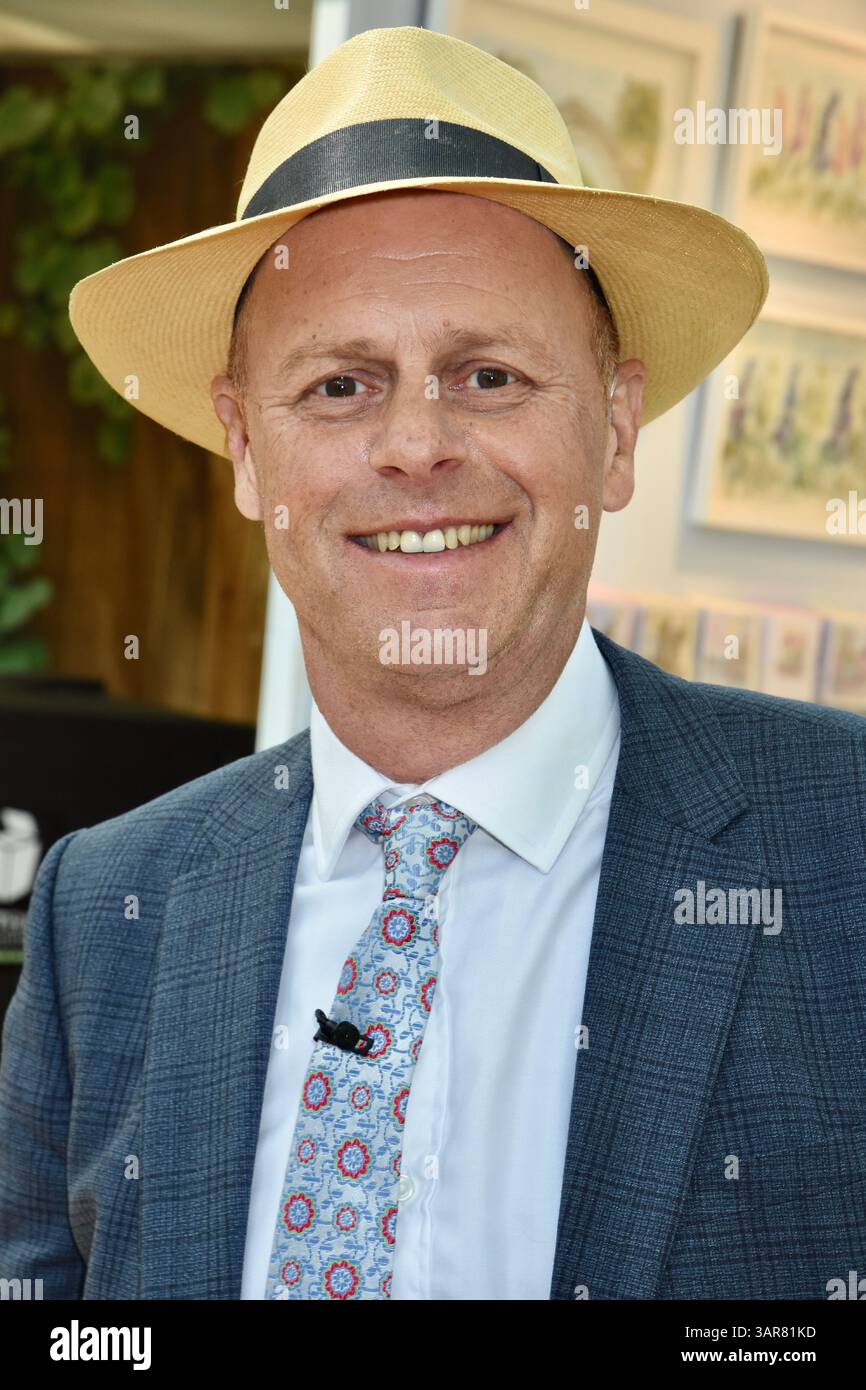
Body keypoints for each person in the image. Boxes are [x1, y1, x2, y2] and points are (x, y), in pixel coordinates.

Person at [1, 24, 863, 1302]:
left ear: (614, 428)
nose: (415, 446)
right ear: (245, 450)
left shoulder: (838, 848)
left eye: (489, 373)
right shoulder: (106, 912)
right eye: (341, 386)